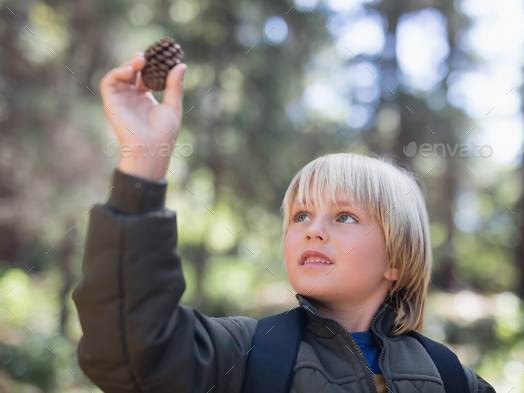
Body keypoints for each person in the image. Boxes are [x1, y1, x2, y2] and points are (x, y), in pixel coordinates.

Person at [72, 52, 496, 393]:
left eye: (345, 216)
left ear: (396, 261)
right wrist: (144, 161)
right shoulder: (243, 353)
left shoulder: (451, 377)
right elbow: (129, 350)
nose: (313, 229)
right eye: (301, 215)